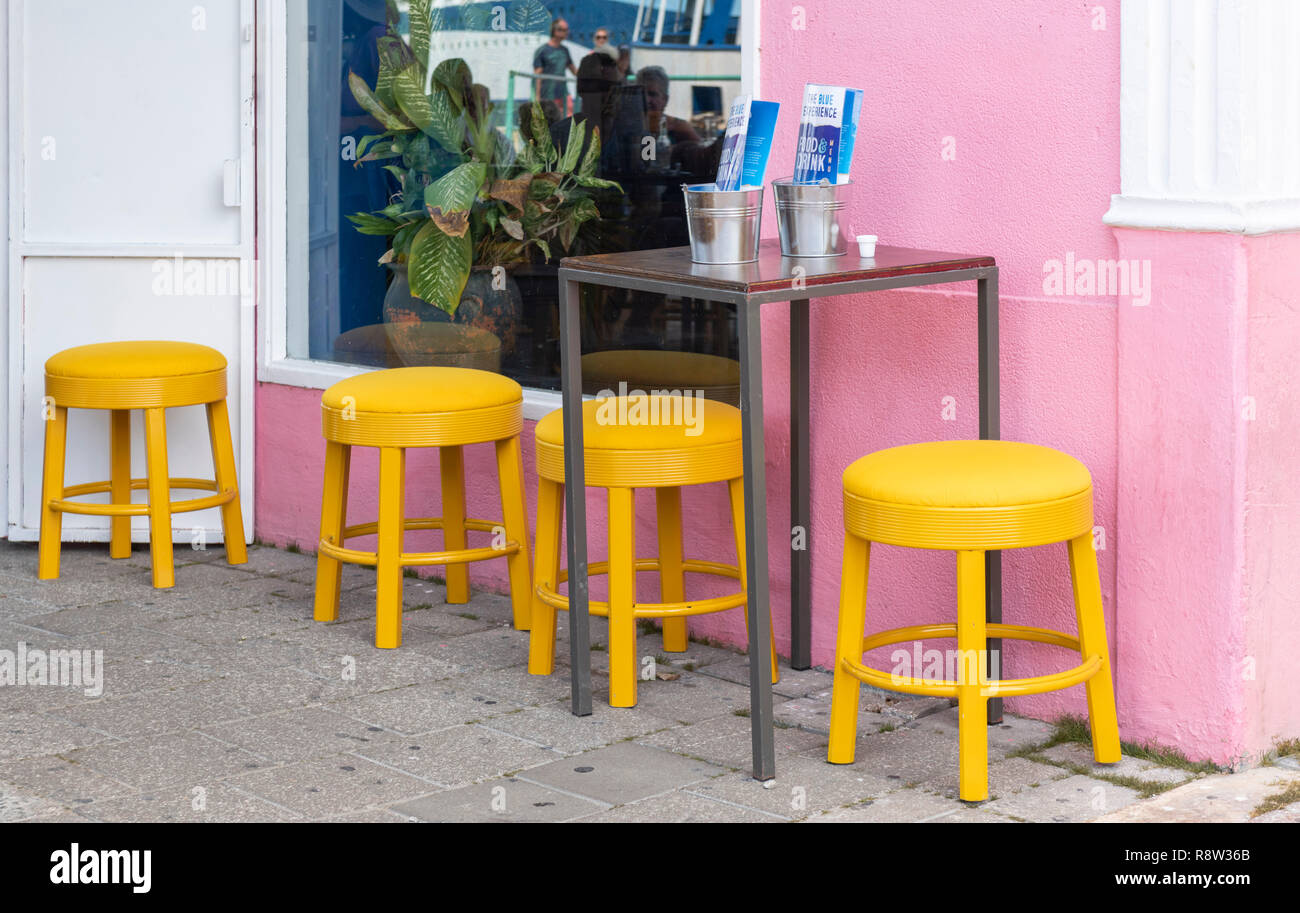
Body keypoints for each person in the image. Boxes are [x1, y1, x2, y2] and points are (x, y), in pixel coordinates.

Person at [533, 18, 577, 109]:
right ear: (556, 31)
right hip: (548, 96)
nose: (567, 33)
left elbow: (574, 71)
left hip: (564, 94)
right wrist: (537, 98)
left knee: (569, 117)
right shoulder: (542, 51)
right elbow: (537, 76)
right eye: (564, 30)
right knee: (552, 120)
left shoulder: (565, 50)